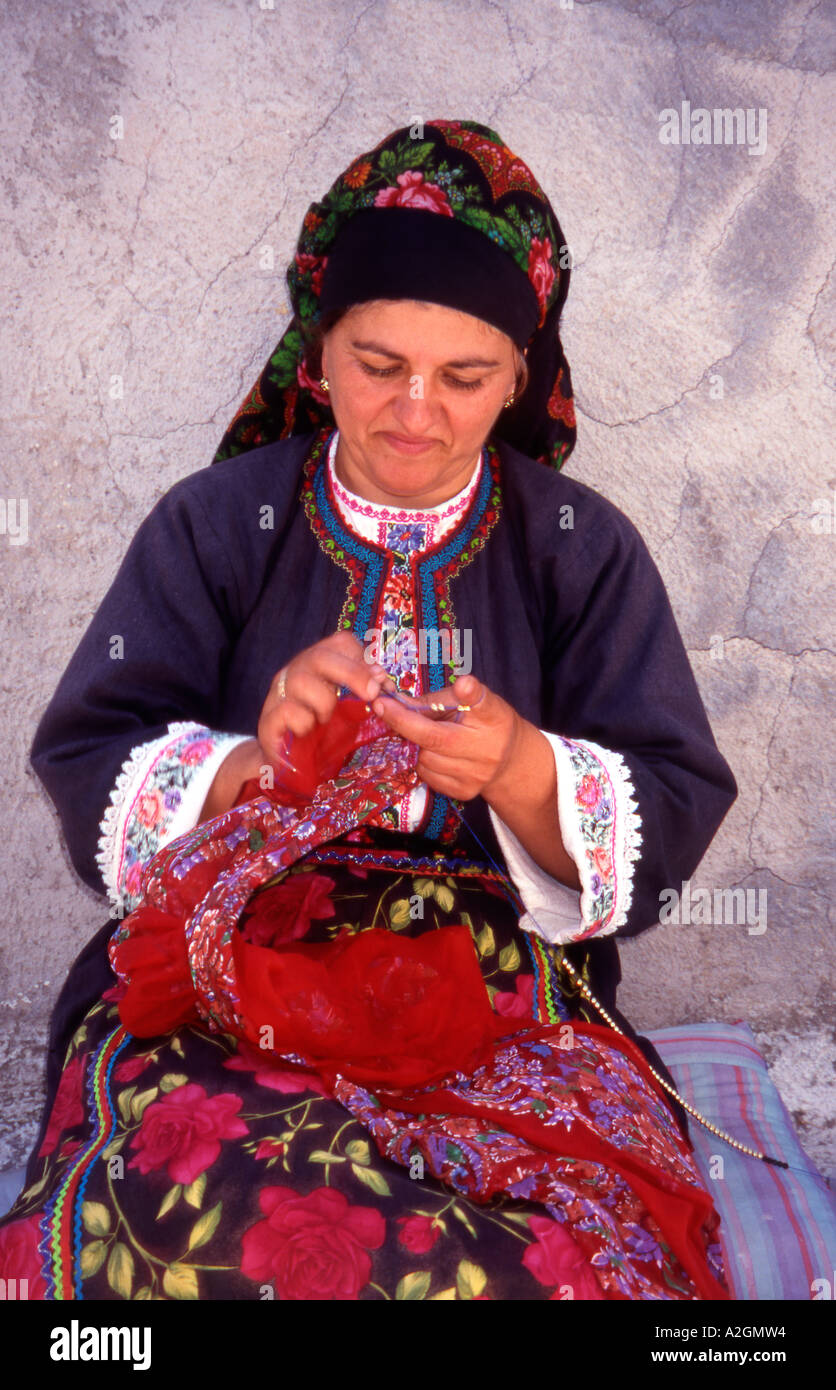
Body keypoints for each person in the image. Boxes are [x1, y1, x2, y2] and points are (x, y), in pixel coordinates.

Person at [0, 119, 738, 1301]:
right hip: (232, 961)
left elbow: (668, 796)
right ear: (317, 354)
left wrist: (515, 767)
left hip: (490, 973)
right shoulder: (215, 523)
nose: (414, 411)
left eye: (464, 376)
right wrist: (252, 765)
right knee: (182, 1217)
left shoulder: (576, 548)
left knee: (554, 1253)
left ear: (519, 378)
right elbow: (93, 746)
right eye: (376, 361)